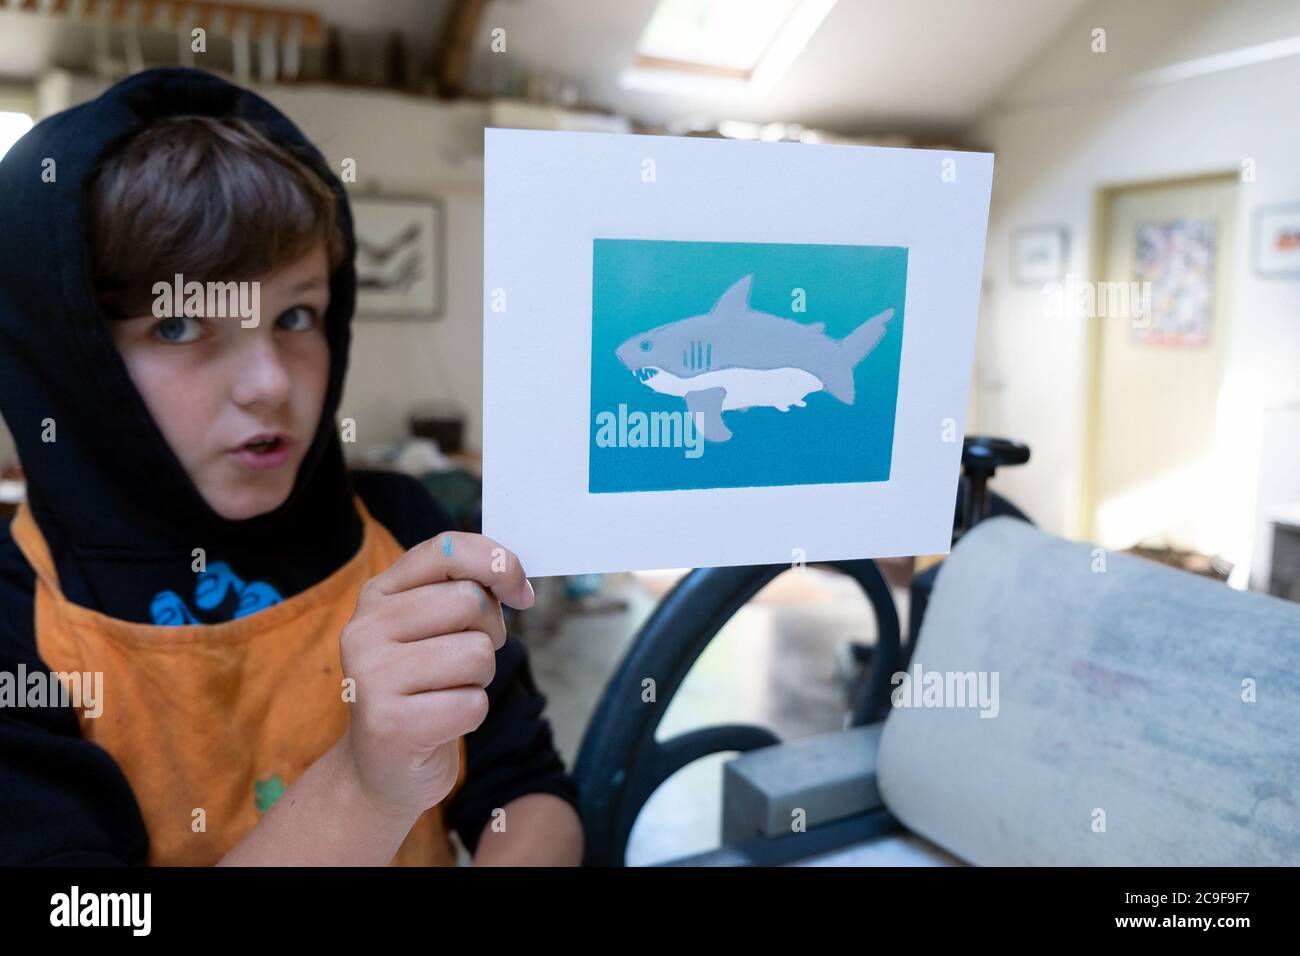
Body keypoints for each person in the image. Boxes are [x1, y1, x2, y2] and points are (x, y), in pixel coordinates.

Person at [0, 68, 583, 866]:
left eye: (296, 316)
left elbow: (526, 788)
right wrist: (364, 785)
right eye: (178, 326)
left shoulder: (402, 529)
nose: (271, 382)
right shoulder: (15, 620)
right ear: (72, 356)